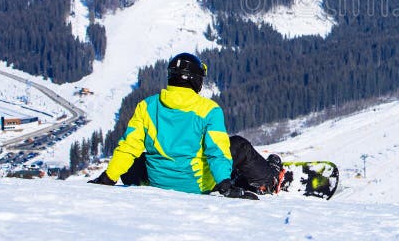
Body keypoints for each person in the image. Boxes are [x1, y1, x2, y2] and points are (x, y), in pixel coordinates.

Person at [89, 53, 285, 199]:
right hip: (198, 185)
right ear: (196, 80)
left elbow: (128, 147)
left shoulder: (147, 106)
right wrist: (224, 185)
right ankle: (269, 181)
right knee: (237, 145)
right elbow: (217, 150)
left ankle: (234, 177)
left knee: (134, 154)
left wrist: (108, 178)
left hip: (158, 182)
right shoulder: (209, 110)